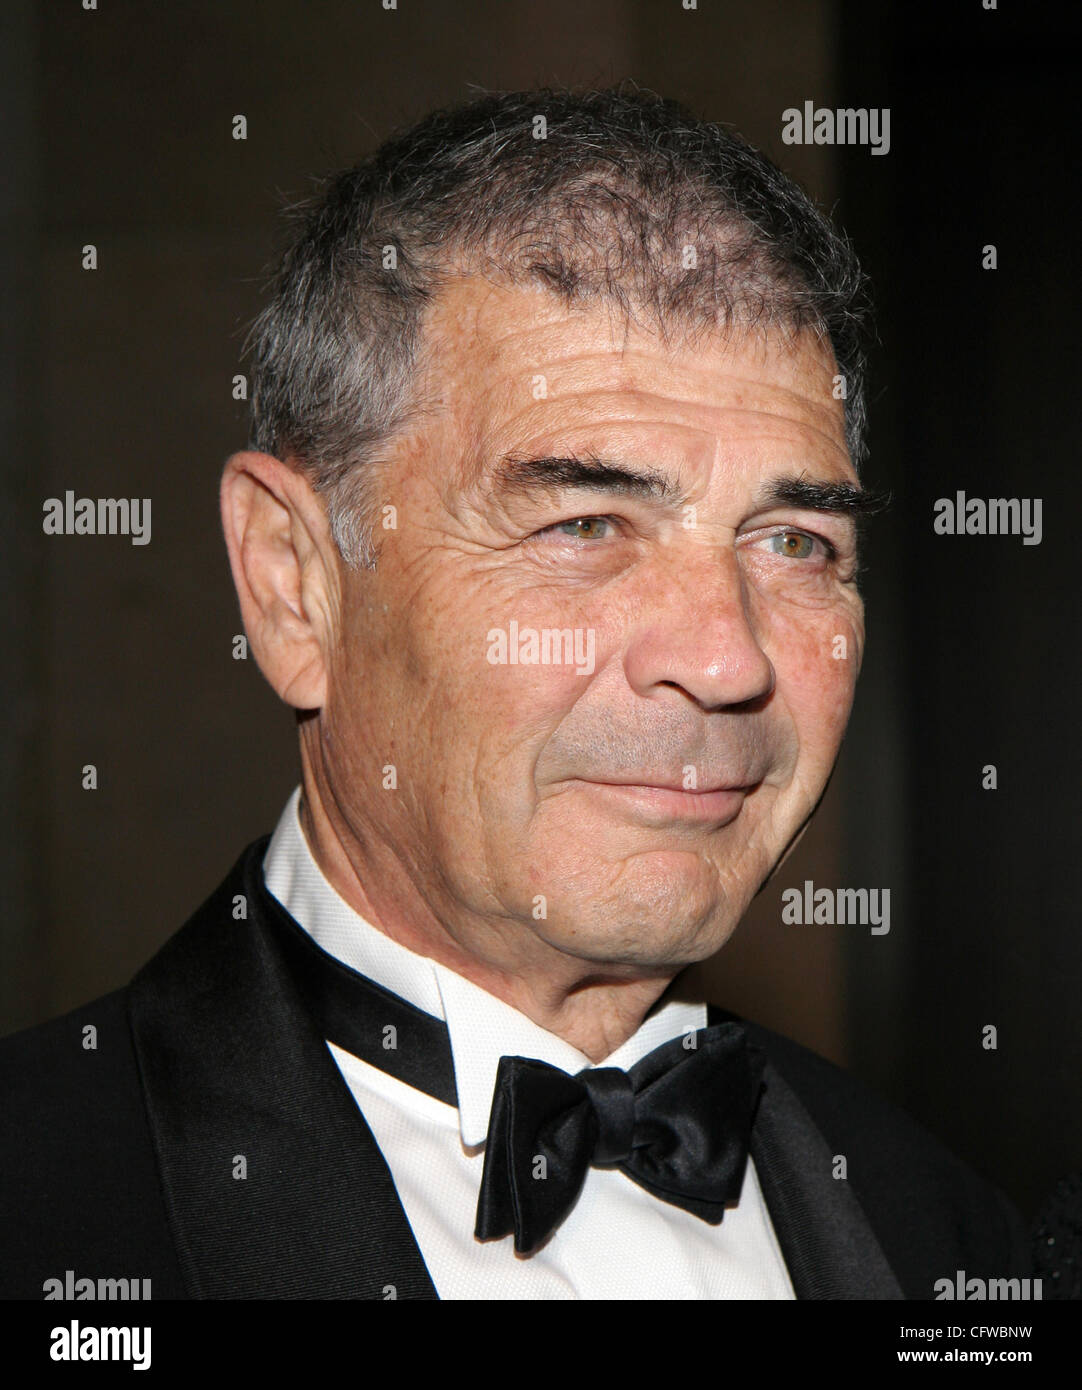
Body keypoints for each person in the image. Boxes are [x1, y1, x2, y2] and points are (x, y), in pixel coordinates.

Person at [0, 85, 1029, 1300]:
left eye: (794, 542)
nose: (724, 658)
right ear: (293, 588)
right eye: (584, 521)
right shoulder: (47, 1214)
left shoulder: (953, 1239)